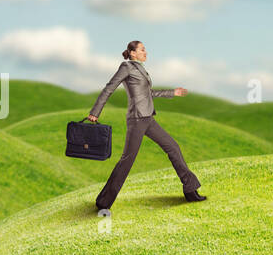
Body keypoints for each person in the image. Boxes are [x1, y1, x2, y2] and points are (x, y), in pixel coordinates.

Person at [87, 40, 206, 208]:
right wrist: (95, 112)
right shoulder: (126, 67)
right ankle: (104, 202)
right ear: (133, 53)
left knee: (173, 147)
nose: (146, 52)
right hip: (137, 120)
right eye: (142, 50)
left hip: (148, 118)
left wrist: (173, 92)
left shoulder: (140, 69)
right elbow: (109, 88)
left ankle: (190, 190)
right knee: (127, 160)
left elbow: (148, 93)